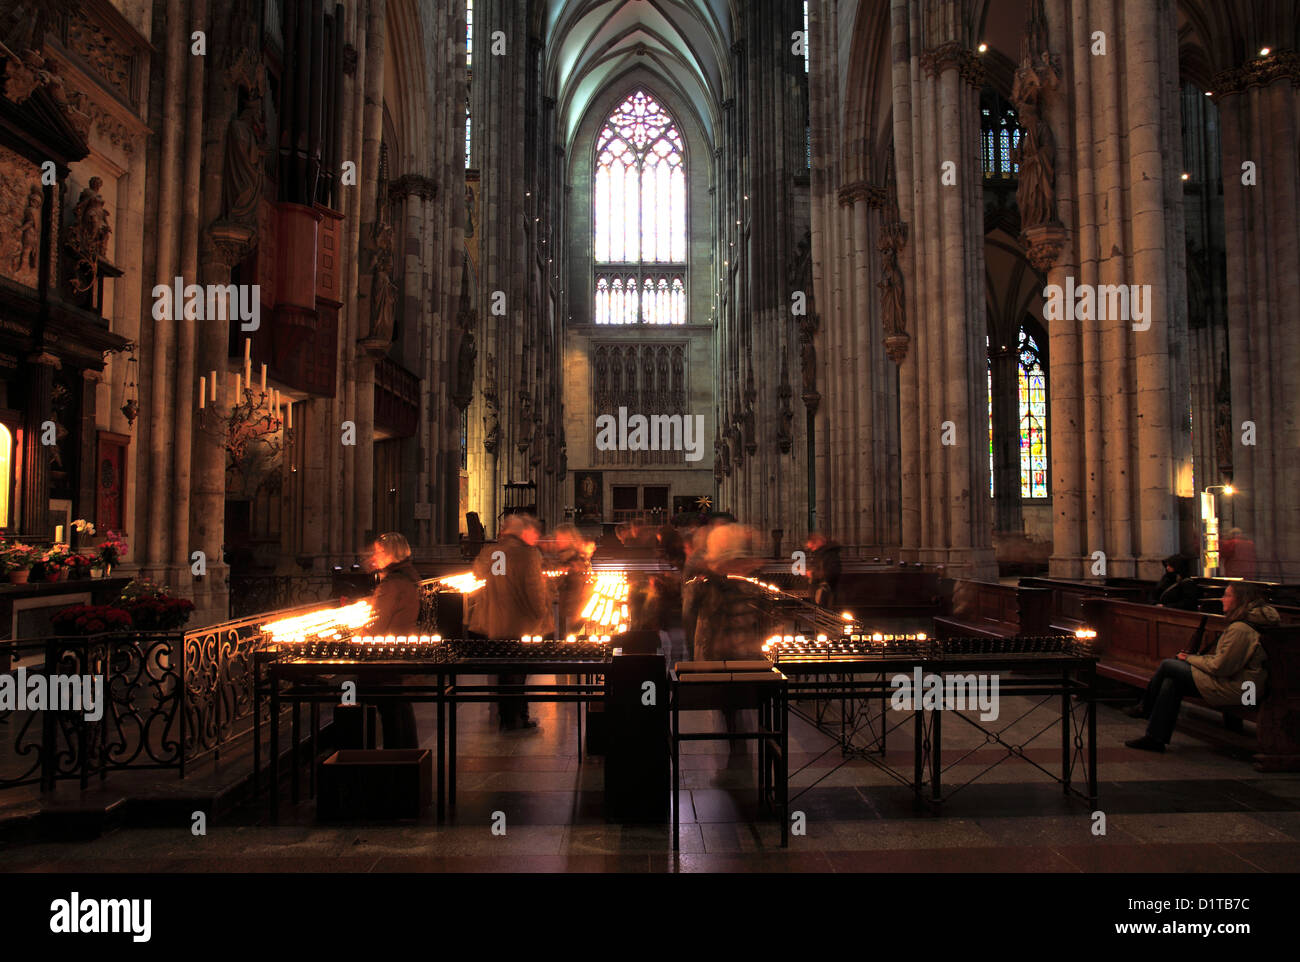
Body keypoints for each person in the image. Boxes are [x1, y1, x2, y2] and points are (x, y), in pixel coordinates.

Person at [1125, 582, 1275, 752]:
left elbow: (1221, 667)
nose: (1222, 599)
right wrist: (1195, 659)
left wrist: (1190, 658)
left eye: (1227, 595)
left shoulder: (1241, 629)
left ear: (1240, 600)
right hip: (1238, 681)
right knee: (1172, 682)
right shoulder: (1248, 623)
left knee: (1169, 665)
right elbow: (1226, 661)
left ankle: (1145, 708)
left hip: (1241, 687)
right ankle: (1154, 738)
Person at [470, 514, 549, 732]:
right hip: (519, 622)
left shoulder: (491, 552)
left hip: (494, 622)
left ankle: (506, 717)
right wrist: (541, 614)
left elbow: (477, 572)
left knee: (503, 672)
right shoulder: (527, 554)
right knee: (518, 672)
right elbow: (534, 589)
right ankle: (518, 717)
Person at [366, 532, 421, 748]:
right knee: (401, 707)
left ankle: (394, 763)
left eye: (379, 551)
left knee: (390, 712)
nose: (374, 556)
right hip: (403, 648)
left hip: (388, 654)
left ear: (391, 554)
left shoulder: (392, 584)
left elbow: (377, 624)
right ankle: (408, 758)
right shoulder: (409, 575)